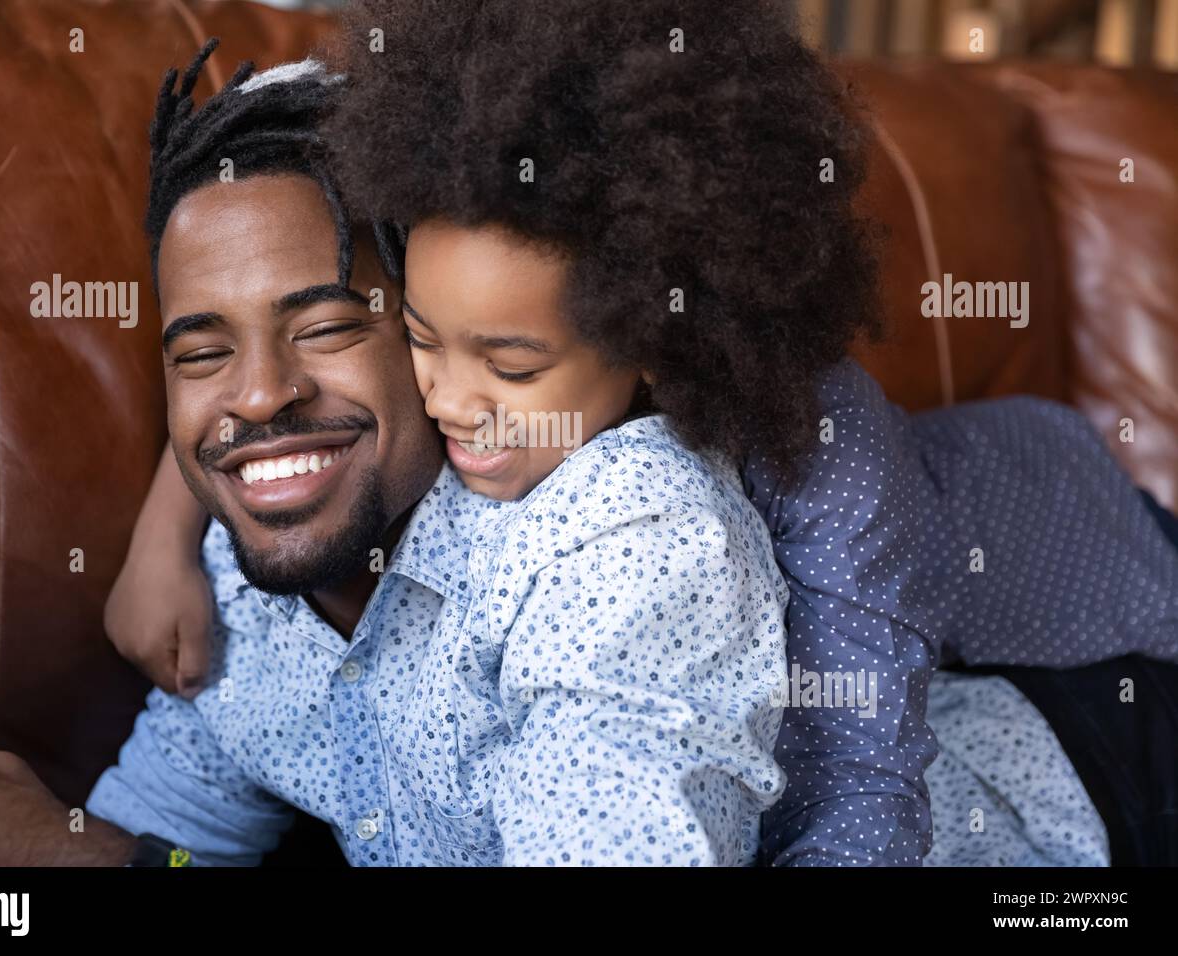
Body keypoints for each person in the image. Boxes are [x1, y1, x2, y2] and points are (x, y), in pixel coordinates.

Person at [106, 0, 1178, 866]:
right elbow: (279, 168)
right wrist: (162, 526)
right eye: (425, 340)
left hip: (1091, 608)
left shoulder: (800, 459)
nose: (451, 397)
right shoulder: (429, 376)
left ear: (647, 339)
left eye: (511, 362)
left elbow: (866, 789)